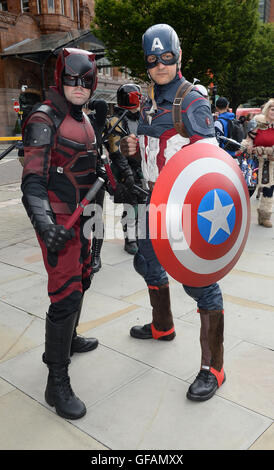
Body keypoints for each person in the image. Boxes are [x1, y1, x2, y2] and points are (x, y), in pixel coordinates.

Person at [120, 24, 225, 401]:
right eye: (153, 59)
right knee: (147, 264)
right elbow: (155, 149)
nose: (160, 65)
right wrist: (135, 147)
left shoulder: (191, 99)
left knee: (198, 282)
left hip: (182, 208)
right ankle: (162, 325)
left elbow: (213, 163)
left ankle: (214, 366)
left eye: (167, 57)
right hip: (149, 200)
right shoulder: (149, 99)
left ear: (178, 56)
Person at [21, 48, 107, 420]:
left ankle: (69, 340)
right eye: (71, 79)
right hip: (58, 222)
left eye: (85, 81)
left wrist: (123, 186)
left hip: (85, 216)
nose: (78, 86)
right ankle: (56, 382)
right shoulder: (45, 118)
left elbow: (95, 166)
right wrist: (45, 226)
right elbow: (33, 183)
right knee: (66, 295)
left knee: (83, 282)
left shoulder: (82, 118)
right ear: (60, 78)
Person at [106, 83, 145, 255]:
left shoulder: (141, 118)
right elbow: (115, 151)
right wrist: (127, 172)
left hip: (141, 167)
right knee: (131, 205)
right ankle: (130, 239)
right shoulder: (116, 121)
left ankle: (140, 236)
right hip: (125, 169)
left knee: (142, 205)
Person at [242, 98, 274, 227]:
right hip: (256, 161)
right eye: (272, 109)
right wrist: (246, 147)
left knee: (269, 189)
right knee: (249, 189)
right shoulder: (258, 123)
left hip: (271, 162)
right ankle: (239, 213)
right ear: (267, 109)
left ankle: (264, 216)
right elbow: (248, 140)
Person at [87, 99, 109, 272]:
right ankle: (82, 254)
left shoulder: (94, 121)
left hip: (95, 175)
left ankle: (96, 255)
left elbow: (102, 105)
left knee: (96, 217)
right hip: (74, 177)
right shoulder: (68, 122)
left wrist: (90, 103)